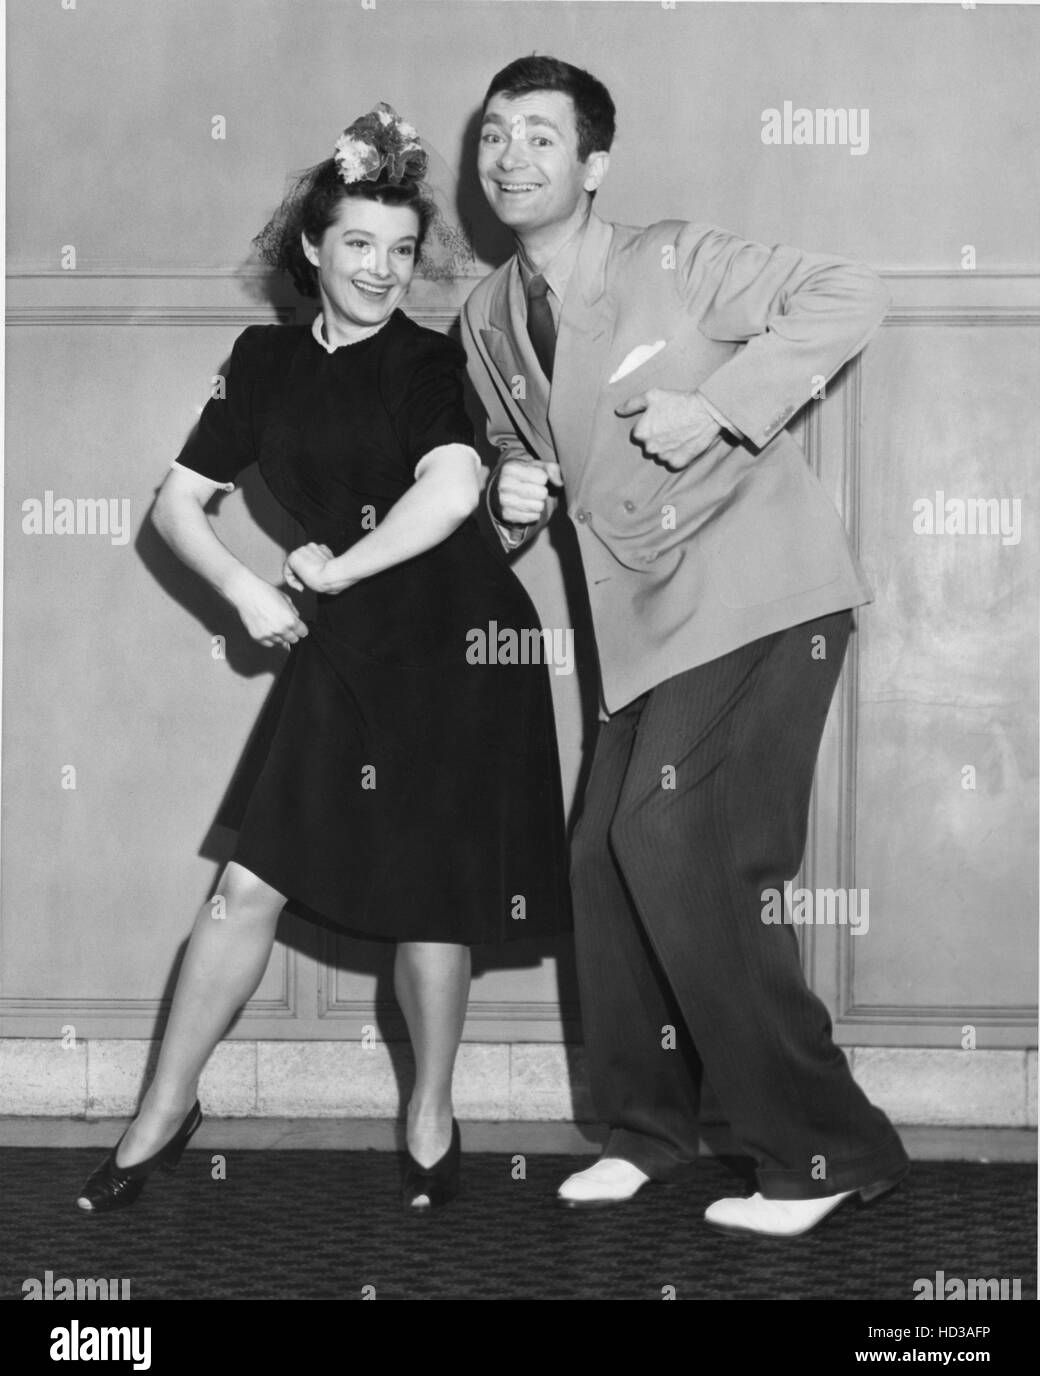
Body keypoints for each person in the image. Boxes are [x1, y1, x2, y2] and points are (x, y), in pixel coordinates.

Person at [77, 104, 570, 1216]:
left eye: (401, 250)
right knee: (243, 886)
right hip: (344, 651)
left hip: (453, 645)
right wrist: (250, 585)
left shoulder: (425, 359)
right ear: (310, 246)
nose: (382, 270)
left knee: (430, 904)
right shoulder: (258, 361)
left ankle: (431, 1113)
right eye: (358, 244)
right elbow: (175, 507)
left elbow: (452, 488)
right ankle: (160, 1113)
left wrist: (336, 571)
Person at [462, 56, 910, 1237]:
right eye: (495, 135)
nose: (510, 156)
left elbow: (847, 292)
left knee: (673, 840)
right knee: (600, 860)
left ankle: (824, 1149)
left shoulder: (671, 259)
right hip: (641, 625)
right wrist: (511, 500)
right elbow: (536, 483)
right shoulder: (487, 315)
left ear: (593, 166)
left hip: (760, 600)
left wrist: (716, 405)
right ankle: (647, 1130)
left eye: (540, 138)